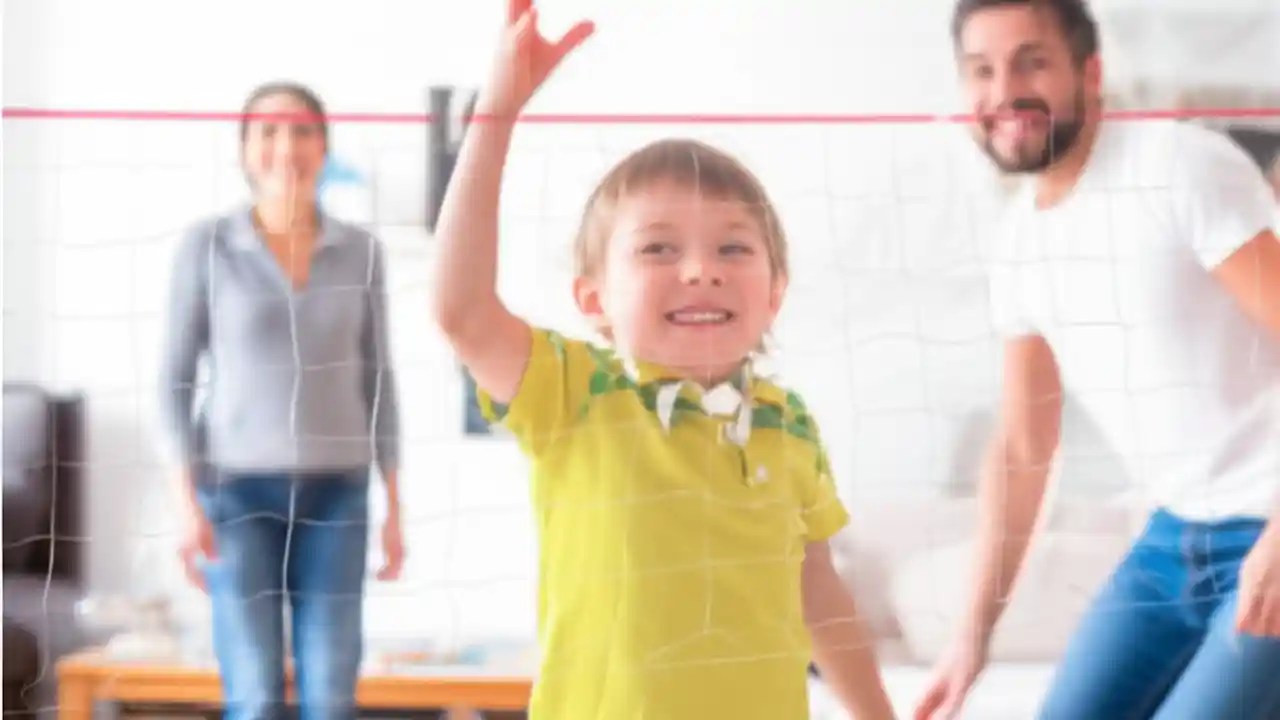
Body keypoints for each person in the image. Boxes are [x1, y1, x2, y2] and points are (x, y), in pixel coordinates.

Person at [430, 2, 897, 718]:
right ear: (594, 299)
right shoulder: (574, 390)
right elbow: (460, 311)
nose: (700, 270)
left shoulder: (788, 420)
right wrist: (497, 112)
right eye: (658, 248)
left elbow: (820, 592)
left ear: (774, 293)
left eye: (733, 247)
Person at [915, 1, 1280, 719]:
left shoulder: (1179, 166)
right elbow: (1024, 447)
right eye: (982, 70)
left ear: (1091, 72)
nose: (1005, 89)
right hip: (1171, 540)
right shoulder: (1018, 241)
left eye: (1032, 61)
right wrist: (969, 637)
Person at [161, 81, 405, 720]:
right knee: (255, 693)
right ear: (244, 149)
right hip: (235, 496)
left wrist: (397, 504)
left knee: (330, 694)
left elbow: (379, 377)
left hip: (339, 495)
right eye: (267, 131)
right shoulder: (206, 246)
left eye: (300, 130)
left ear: (323, 146)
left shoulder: (362, 252)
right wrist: (184, 502)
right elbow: (174, 379)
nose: (285, 146)